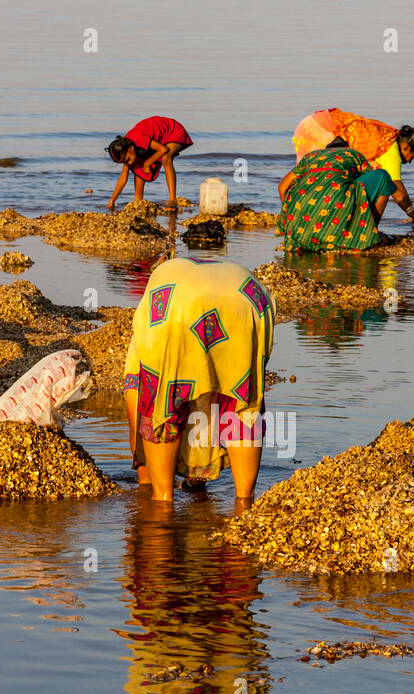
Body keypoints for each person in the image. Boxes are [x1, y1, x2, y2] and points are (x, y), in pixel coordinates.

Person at [122, 257, 275, 501]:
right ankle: (245, 501)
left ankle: (162, 505)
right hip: (247, 295)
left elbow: (139, 423)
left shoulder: (137, 348)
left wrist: (145, 482)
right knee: (242, 400)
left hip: (177, 302)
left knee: (163, 404)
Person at [292, 109, 414, 226]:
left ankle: (305, 216)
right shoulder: (391, 150)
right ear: (406, 147)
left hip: (314, 123)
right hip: (318, 130)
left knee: (315, 178)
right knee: (384, 184)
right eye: (413, 157)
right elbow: (398, 192)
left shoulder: (387, 136)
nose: (410, 162)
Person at [278, 146, 395, 252]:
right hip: (333, 196)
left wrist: (294, 217)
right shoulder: (354, 154)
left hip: (299, 213)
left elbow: (282, 187)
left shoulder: (311, 156)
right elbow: (373, 187)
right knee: (382, 177)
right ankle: (369, 234)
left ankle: (307, 235)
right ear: (344, 148)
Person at [108, 116, 194, 210]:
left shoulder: (138, 139)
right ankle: (138, 199)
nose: (129, 163)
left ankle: (172, 199)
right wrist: (112, 201)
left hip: (172, 130)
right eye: (125, 162)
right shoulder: (126, 150)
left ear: (130, 148)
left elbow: (163, 149)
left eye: (128, 159)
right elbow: (123, 177)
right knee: (136, 165)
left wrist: (147, 163)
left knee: (166, 158)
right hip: (158, 139)